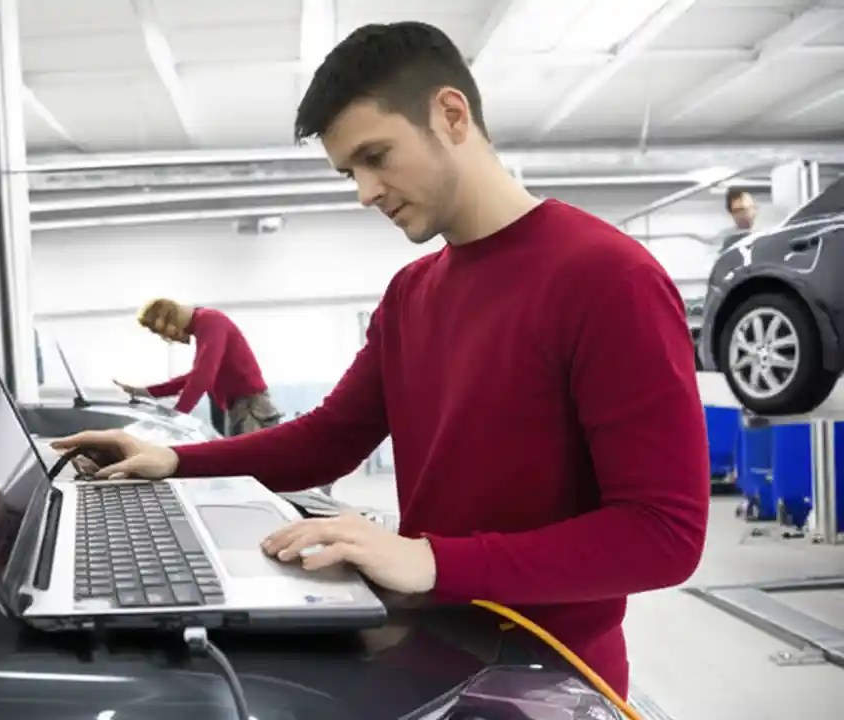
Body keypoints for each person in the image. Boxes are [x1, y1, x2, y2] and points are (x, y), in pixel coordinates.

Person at [55, 21, 709, 700]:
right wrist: (177, 461)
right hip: (432, 648)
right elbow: (329, 440)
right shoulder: (411, 293)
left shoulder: (608, 277)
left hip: (548, 679)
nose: (365, 192)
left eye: (377, 156)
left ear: (451, 115)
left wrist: (429, 559)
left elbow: (663, 534)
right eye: (350, 172)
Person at [115, 298, 282, 436]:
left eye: (163, 333)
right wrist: (147, 392)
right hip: (238, 406)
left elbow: (203, 376)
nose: (167, 338)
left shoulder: (210, 321)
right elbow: (196, 376)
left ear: (171, 322)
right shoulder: (204, 324)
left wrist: (177, 416)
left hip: (250, 407)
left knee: (248, 467)